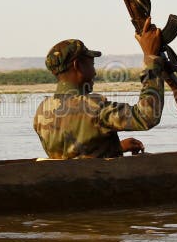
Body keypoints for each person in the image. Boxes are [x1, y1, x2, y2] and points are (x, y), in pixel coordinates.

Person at [34, 17, 164, 159]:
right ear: (78, 66)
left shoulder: (42, 111)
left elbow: (72, 155)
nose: (94, 72)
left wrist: (116, 147)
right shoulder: (94, 106)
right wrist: (151, 59)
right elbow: (146, 116)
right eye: (91, 65)